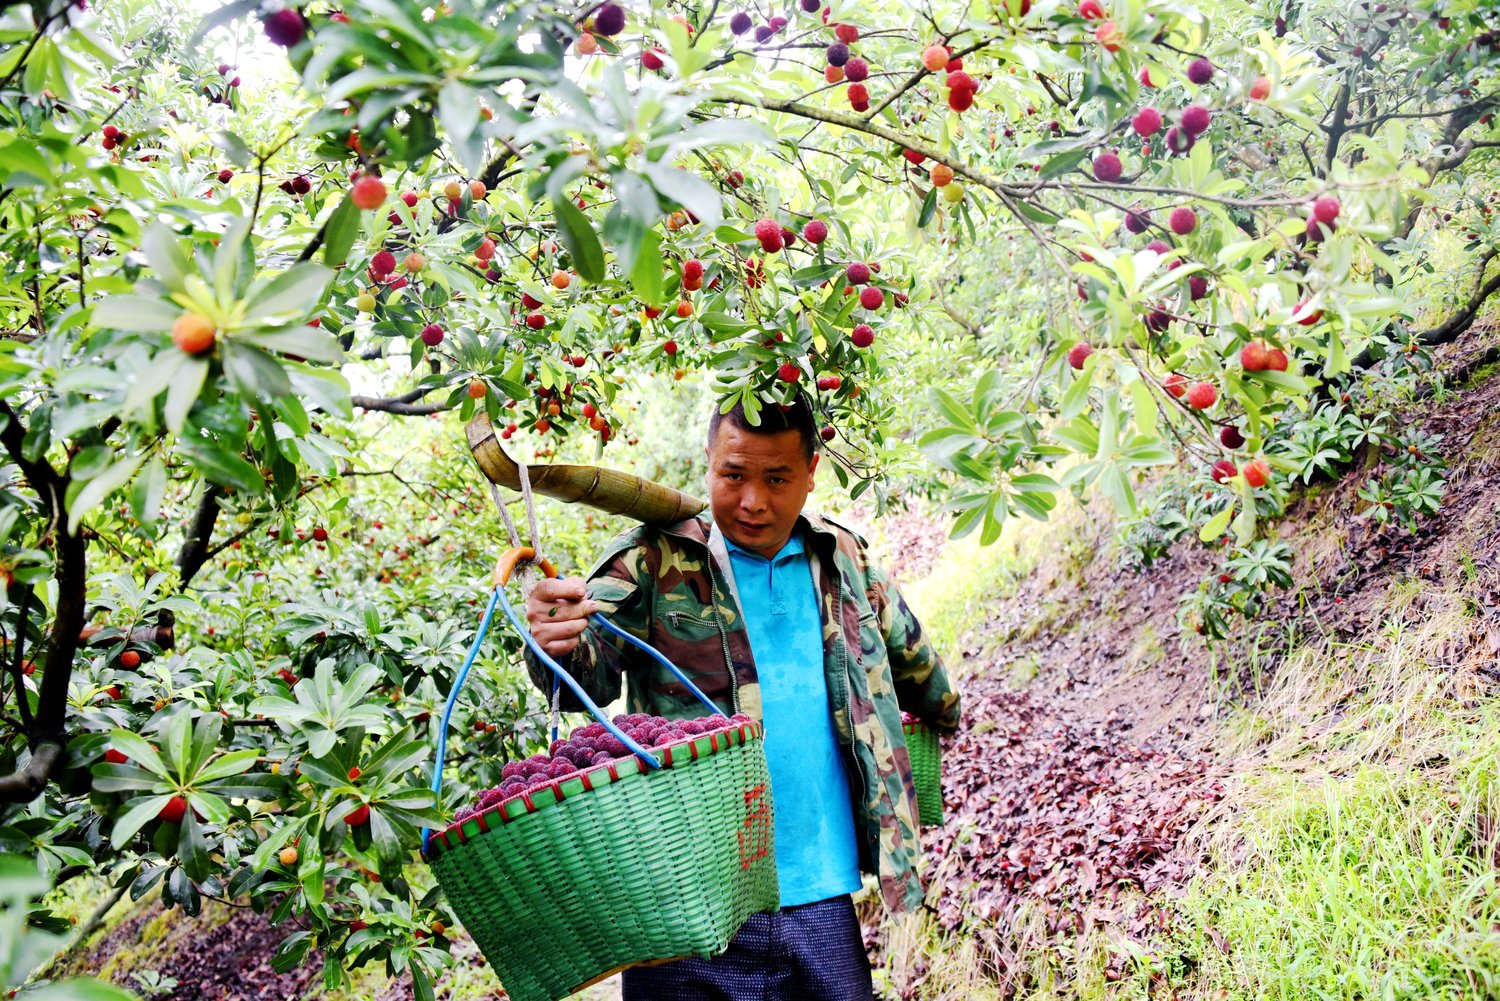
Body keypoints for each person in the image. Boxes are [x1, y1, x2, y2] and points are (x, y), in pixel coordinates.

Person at [523, 392, 961, 1001]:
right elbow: (582, 678)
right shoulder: (652, 560)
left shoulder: (843, 561)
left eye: (777, 478)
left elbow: (922, 672)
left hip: (819, 894)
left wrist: (931, 723)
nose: (752, 501)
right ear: (707, 463)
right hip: (686, 907)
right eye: (732, 475)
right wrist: (556, 641)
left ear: (811, 473)